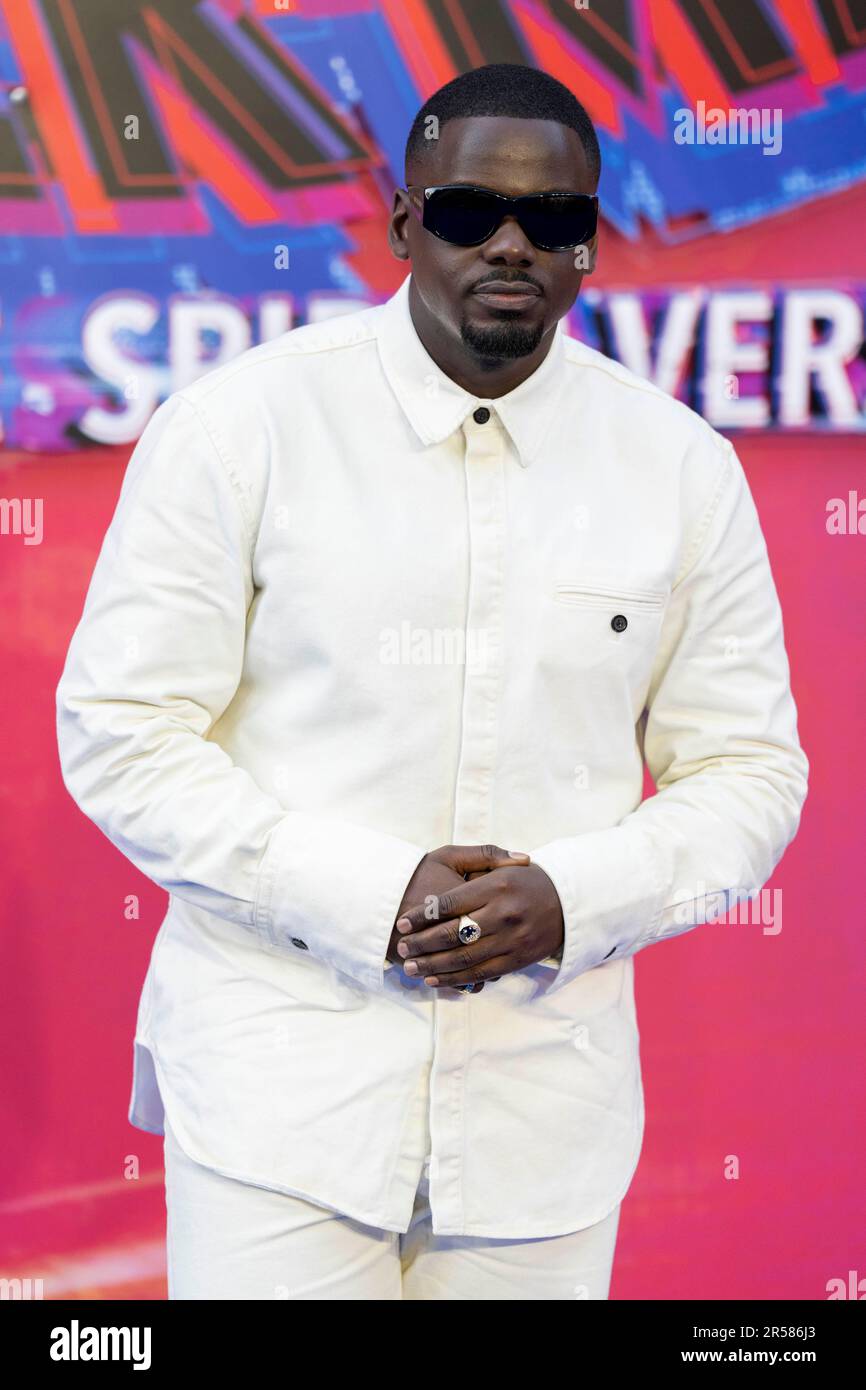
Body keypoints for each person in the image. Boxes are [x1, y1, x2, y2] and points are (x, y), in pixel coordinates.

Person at [55, 63, 808, 1300]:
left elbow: (746, 768)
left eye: (551, 220)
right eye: (467, 212)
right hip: (279, 1115)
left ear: (589, 247)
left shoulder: (679, 468)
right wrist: (360, 892)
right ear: (404, 222)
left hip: (540, 1128)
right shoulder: (242, 428)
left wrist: (576, 893)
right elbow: (123, 729)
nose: (508, 244)